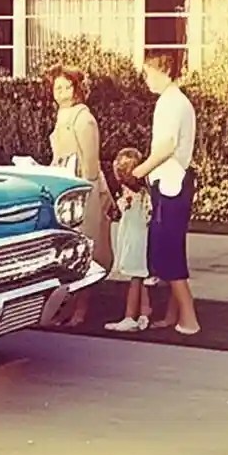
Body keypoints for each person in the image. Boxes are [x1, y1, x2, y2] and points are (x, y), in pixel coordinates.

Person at [127, 53, 201, 335]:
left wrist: (139, 171)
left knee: (168, 253)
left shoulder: (171, 103)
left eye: (148, 73)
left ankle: (190, 320)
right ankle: (175, 316)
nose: (146, 79)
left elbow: (167, 146)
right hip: (173, 183)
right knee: (171, 249)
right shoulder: (176, 101)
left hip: (172, 184)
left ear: (164, 71)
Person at [45, 64, 113, 327]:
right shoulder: (62, 115)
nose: (61, 92)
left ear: (77, 89)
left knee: (83, 248)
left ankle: (81, 308)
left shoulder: (84, 119)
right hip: (64, 185)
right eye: (57, 87)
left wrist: (86, 196)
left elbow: (90, 166)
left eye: (67, 87)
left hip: (82, 189)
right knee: (65, 250)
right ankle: (66, 305)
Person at [104, 147, 154, 331]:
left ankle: (130, 316)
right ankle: (144, 312)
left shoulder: (131, 197)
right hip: (140, 238)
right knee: (140, 276)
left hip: (135, 240)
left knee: (136, 276)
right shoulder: (144, 194)